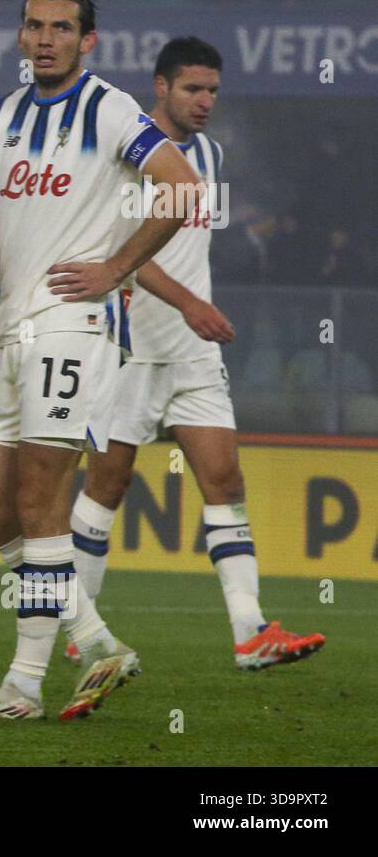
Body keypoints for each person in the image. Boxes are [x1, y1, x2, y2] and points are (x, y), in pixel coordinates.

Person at [0, 0, 203, 721]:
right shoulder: (8, 113)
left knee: (39, 500)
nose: (45, 38)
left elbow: (180, 187)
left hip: (73, 326)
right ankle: (97, 641)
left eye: (61, 28)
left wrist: (116, 268)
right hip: (9, 327)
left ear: (87, 40)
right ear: (20, 35)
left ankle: (23, 685)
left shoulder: (111, 109)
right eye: (34, 26)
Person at [68, 37, 325, 670]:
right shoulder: (129, 156)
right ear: (160, 87)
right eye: (192, 89)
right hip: (129, 350)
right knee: (107, 486)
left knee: (224, 479)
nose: (205, 101)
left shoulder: (209, 155)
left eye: (212, 90)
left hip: (192, 356)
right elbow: (120, 259)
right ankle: (78, 629)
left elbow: (187, 247)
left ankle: (249, 633)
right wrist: (189, 301)